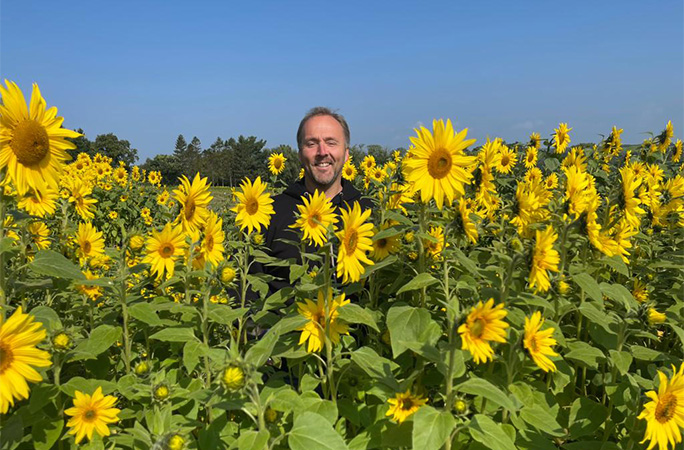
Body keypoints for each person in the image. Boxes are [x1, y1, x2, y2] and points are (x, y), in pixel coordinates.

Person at [253, 107, 372, 298]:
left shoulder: (368, 211)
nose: (322, 152)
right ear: (300, 154)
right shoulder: (269, 213)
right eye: (312, 143)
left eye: (331, 142)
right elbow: (251, 291)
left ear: (347, 153)